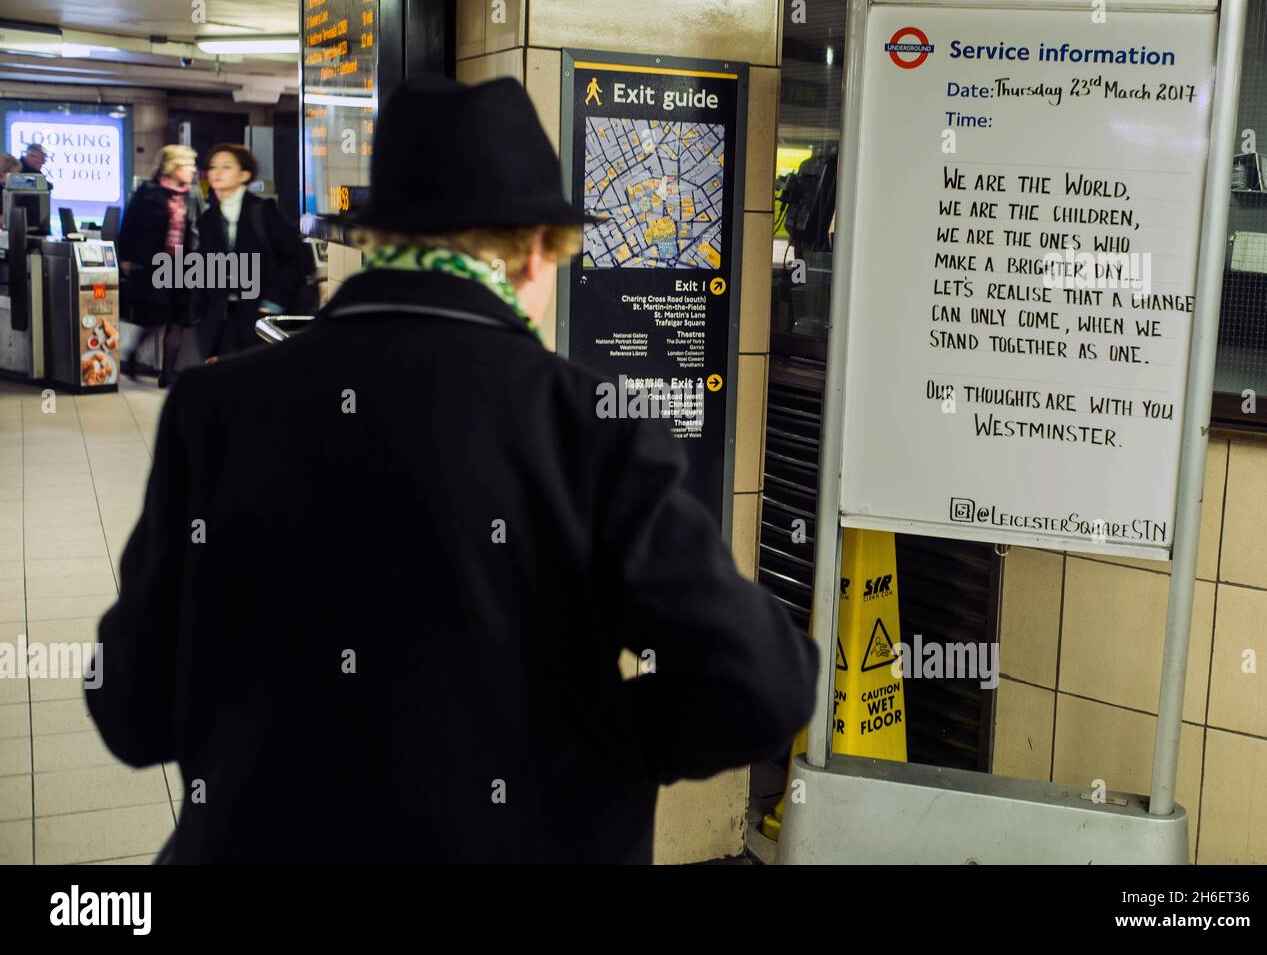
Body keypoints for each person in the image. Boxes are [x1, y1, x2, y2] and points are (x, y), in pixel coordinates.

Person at [85, 76, 819, 863]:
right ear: (537, 249)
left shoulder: (214, 407)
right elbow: (763, 683)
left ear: (375, 239)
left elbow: (132, 707)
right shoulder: (588, 424)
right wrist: (591, 750)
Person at [194, 143, 305, 359]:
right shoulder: (208, 219)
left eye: (226, 167)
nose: (216, 172)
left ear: (244, 174)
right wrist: (200, 316)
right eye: (213, 166)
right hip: (220, 322)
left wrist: (271, 304)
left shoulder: (263, 212)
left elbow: (295, 259)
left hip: (259, 318)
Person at [115, 145, 200, 388]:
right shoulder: (148, 192)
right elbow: (129, 226)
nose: (193, 170)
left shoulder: (188, 195)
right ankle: (132, 354)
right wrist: (127, 260)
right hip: (154, 265)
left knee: (178, 320)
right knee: (156, 318)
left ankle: (167, 374)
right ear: (173, 167)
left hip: (182, 266)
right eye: (188, 165)